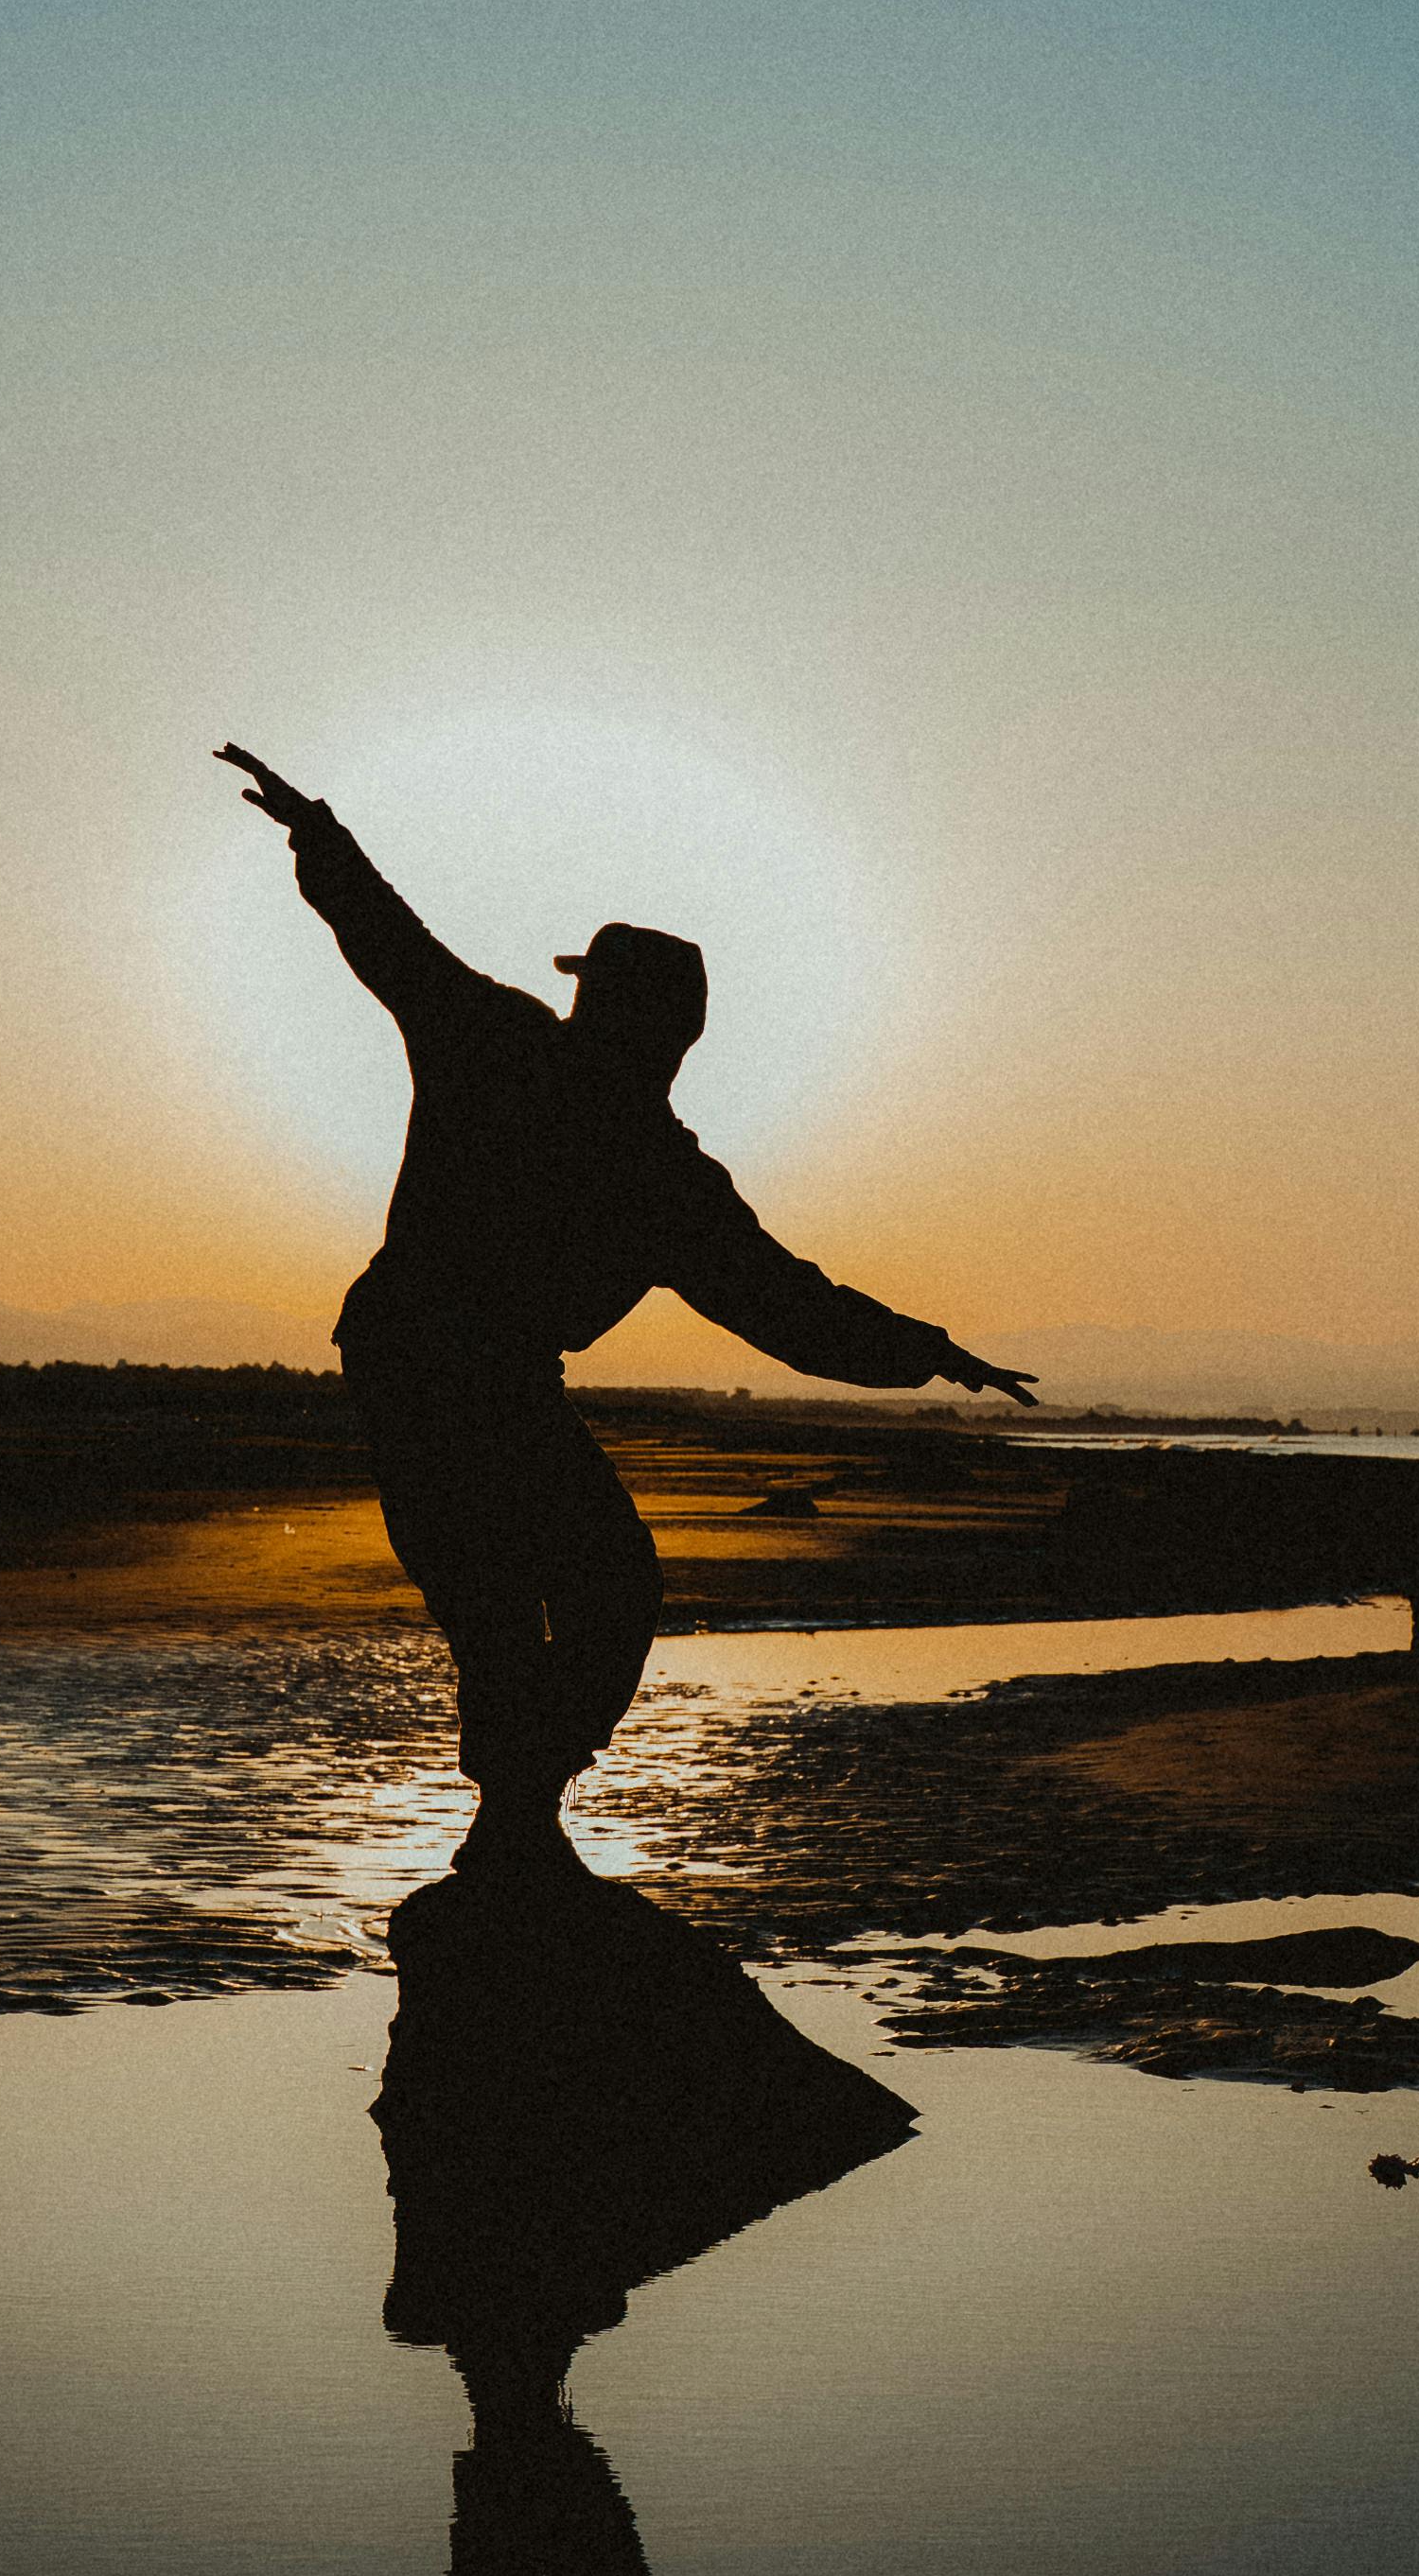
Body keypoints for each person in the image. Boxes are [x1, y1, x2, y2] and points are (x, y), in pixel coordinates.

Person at [216, 742, 1038, 1866]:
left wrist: (922, 1349)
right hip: (422, 1360)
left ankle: (515, 1812)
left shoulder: (575, 1102)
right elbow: (787, 1309)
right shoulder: (598, 1120)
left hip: (464, 1369)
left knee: (574, 1590)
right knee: (525, 1597)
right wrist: (925, 1351)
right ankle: (514, 1822)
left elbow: (783, 1303)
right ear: (677, 1033)